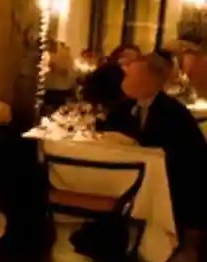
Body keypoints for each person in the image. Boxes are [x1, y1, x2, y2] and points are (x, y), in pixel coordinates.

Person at [98, 53, 207, 239]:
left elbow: (191, 158)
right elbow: (108, 134)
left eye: (131, 76)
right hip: (132, 179)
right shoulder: (124, 107)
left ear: (150, 79)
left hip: (175, 187)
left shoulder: (174, 113)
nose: (125, 81)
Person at [82, 43, 141, 116]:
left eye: (135, 59)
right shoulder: (107, 71)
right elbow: (90, 90)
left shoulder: (140, 75)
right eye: (126, 56)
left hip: (127, 116)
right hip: (106, 113)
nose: (131, 61)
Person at [43, 41, 77, 112]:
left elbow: (67, 72)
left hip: (59, 89)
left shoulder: (64, 56)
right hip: (50, 87)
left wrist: (56, 68)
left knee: (58, 110)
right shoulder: (47, 55)